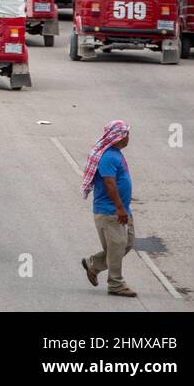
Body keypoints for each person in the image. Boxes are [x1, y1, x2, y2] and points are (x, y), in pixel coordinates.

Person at [81, 120, 138, 297]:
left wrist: (124, 209)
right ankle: (116, 283)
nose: (128, 137)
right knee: (117, 247)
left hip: (121, 209)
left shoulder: (116, 153)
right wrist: (119, 208)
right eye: (126, 134)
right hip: (110, 211)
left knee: (125, 245)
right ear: (117, 136)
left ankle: (94, 264)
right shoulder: (108, 157)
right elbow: (109, 183)